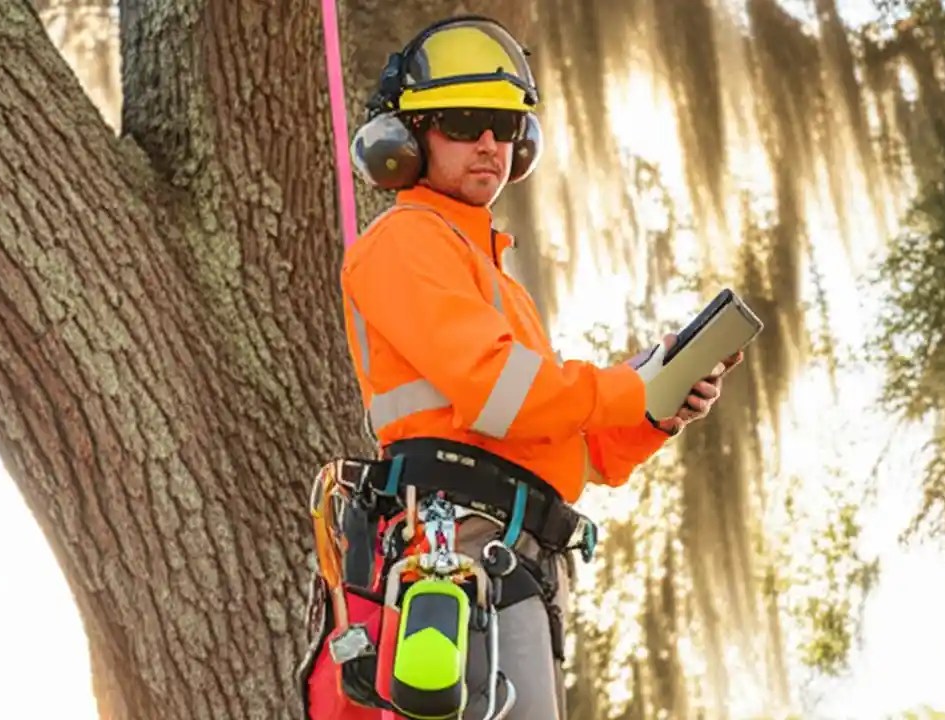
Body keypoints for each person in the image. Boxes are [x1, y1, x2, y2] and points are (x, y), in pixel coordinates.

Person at [298, 15, 743, 720]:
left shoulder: (496, 278)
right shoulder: (404, 241)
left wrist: (655, 410)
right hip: (462, 546)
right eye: (463, 120)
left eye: (504, 127)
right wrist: (625, 387)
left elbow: (564, 445)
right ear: (406, 140)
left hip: (518, 556)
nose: (487, 144)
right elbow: (501, 394)